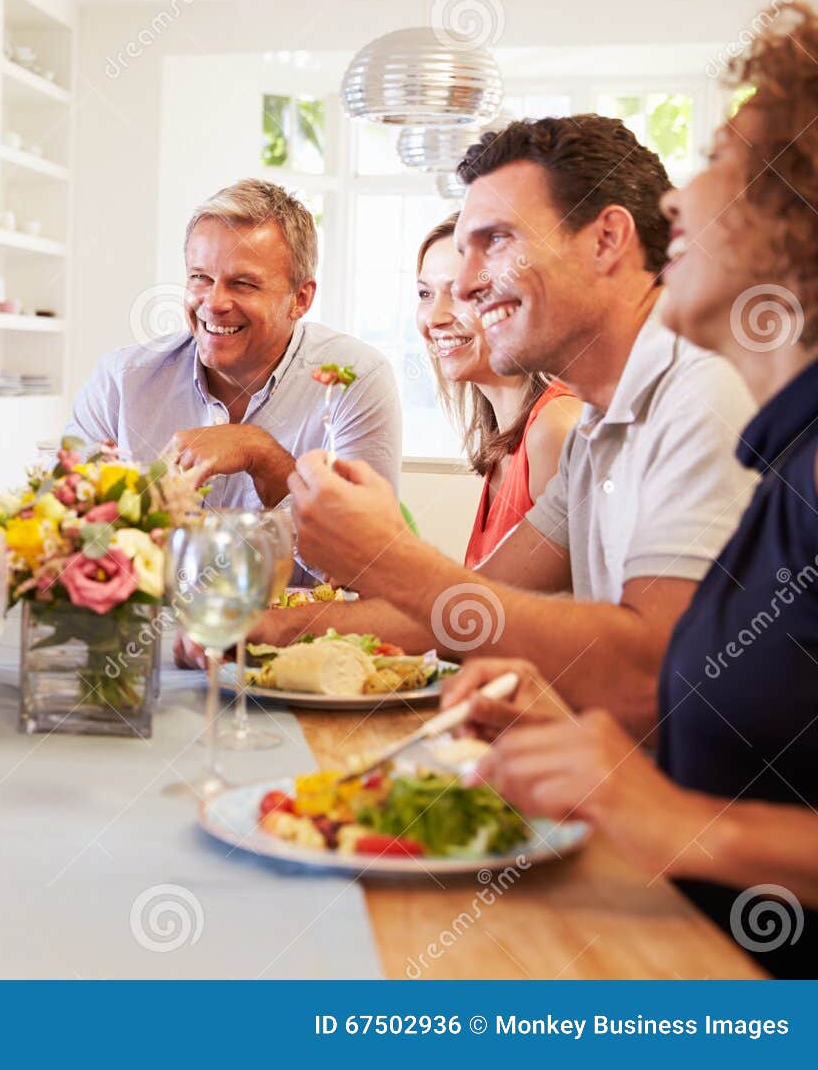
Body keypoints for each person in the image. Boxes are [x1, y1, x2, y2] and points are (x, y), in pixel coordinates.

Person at [445, 3, 818, 977]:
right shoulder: (786, 451)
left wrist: (685, 823)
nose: (678, 200)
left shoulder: (743, 422)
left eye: (722, 156)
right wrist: (581, 739)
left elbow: (664, 704)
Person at [255, 114, 757, 733]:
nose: (465, 286)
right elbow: (474, 607)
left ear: (607, 240)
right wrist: (267, 630)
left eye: (496, 241)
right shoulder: (599, 423)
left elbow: (652, 673)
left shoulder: (701, 393)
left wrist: (386, 559)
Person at [66, 178, 401, 509]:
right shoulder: (120, 380)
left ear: (300, 298)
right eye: (201, 277)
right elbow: (58, 526)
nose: (213, 303)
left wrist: (262, 455)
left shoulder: (354, 379)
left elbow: (365, 555)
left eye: (243, 283)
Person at [414, 214, 580, 567]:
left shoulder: (555, 430)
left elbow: (553, 614)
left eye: (462, 293)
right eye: (425, 293)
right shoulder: (505, 441)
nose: (435, 317)